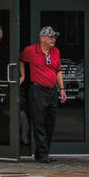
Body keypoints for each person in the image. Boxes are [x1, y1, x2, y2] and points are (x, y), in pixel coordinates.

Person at [19, 26, 66, 163]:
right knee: (38, 122)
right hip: (37, 90)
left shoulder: (55, 51)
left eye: (54, 37)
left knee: (50, 123)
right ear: (42, 38)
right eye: (51, 37)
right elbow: (21, 59)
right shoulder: (31, 50)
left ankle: (43, 153)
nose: (53, 39)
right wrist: (23, 75)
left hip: (52, 91)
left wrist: (61, 88)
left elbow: (58, 70)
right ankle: (43, 155)